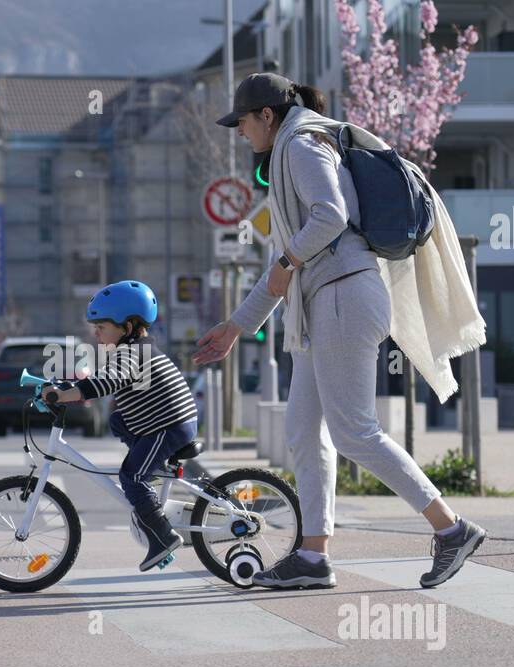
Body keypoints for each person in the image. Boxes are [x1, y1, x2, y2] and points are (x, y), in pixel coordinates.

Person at [196, 72, 487, 589]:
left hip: (342, 299)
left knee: (354, 430)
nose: (239, 132)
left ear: (267, 116)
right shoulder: (289, 151)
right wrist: (236, 327)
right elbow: (283, 269)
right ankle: (312, 557)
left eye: (241, 122)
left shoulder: (303, 145)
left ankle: (451, 529)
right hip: (324, 302)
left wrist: (288, 259)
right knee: (305, 433)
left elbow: (329, 217)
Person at [42, 281, 199, 571]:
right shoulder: (132, 350)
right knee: (117, 419)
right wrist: (67, 387)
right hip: (163, 423)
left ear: (127, 328)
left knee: (131, 476)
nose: (96, 334)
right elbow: (100, 379)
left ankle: (163, 536)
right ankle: (148, 479)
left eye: (101, 328)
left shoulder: (131, 353)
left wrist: (65, 395)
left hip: (170, 426)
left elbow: (106, 382)